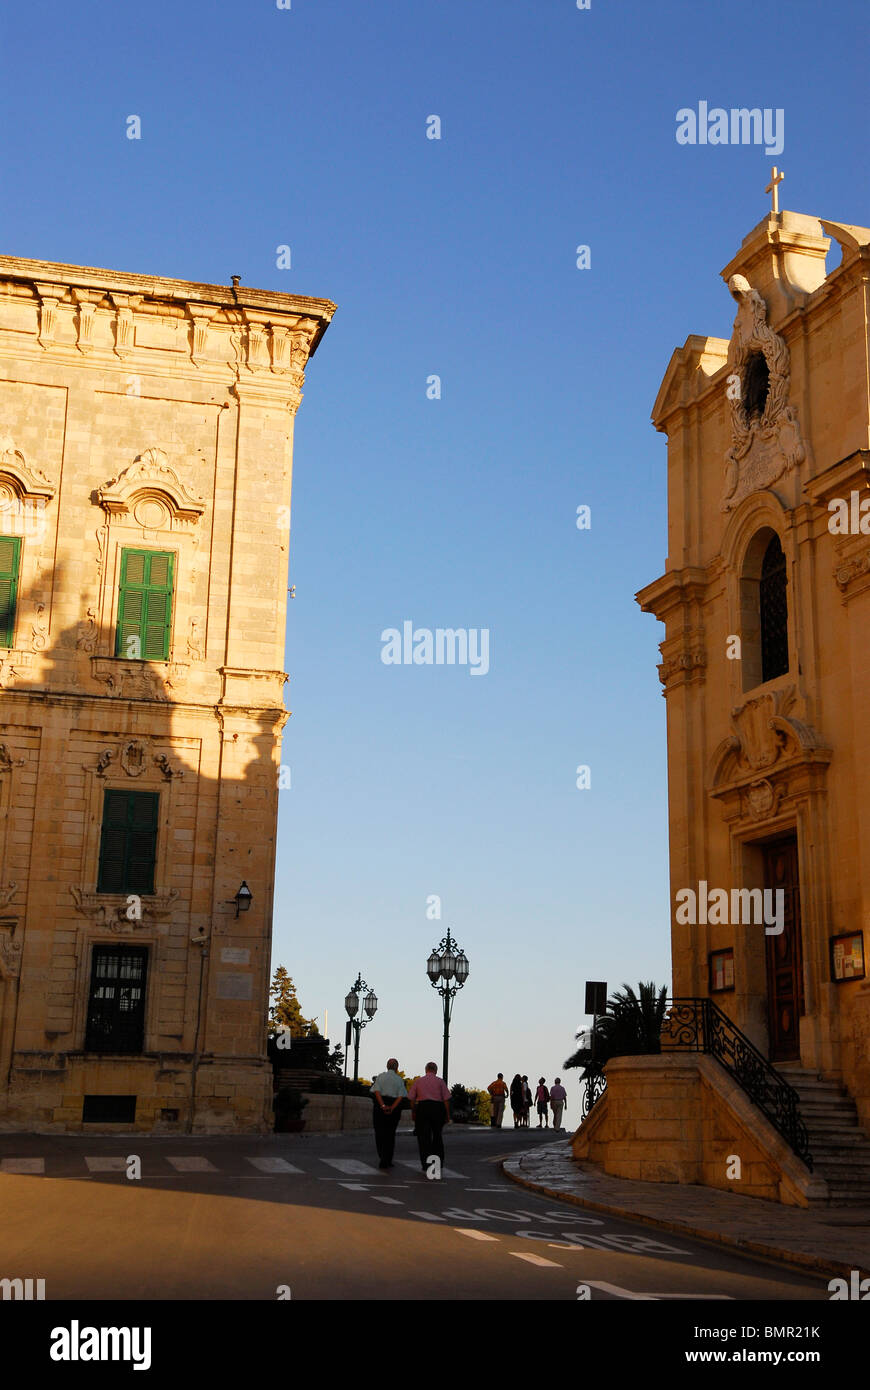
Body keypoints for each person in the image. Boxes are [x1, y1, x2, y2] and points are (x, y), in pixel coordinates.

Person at [408, 1062, 450, 1174]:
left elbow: (412, 1098)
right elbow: (446, 1099)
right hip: (437, 1109)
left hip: (423, 1108)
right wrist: (447, 1115)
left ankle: (425, 1163)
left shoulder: (418, 1081)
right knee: (437, 1136)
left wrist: (413, 1112)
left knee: (423, 1137)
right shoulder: (440, 1082)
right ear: (435, 1070)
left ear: (426, 1069)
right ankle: (438, 1162)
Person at [371, 1058, 407, 1169]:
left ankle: (382, 1156)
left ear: (387, 1066)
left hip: (380, 1105)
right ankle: (387, 1159)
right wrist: (392, 1108)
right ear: (397, 1067)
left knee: (379, 1132)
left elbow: (376, 1091)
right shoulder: (399, 1080)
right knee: (390, 1134)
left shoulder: (380, 1077)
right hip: (394, 1106)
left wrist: (382, 1106)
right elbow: (401, 1096)